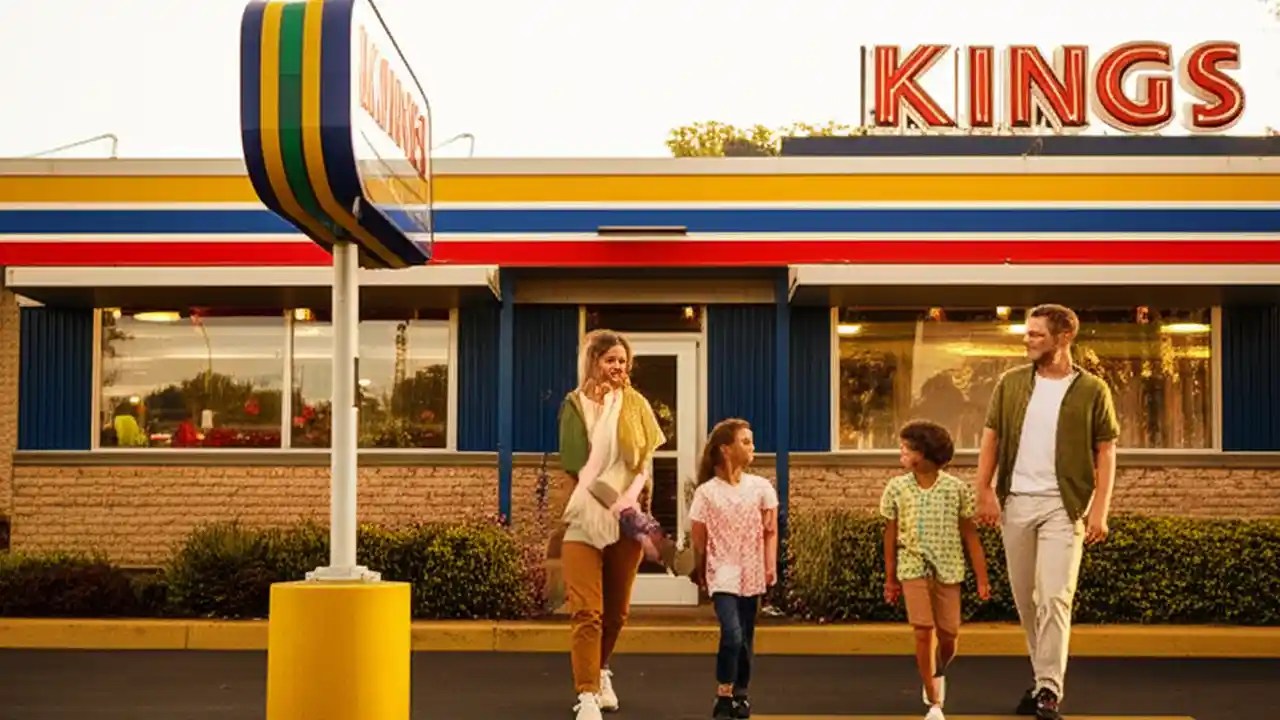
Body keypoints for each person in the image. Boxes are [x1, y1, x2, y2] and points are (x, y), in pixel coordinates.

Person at [974, 304, 1120, 720]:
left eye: (1037, 334)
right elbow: (992, 437)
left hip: (1064, 505)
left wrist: (1100, 511)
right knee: (1026, 600)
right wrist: (984, 489)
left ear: (1063, 338)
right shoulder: (1011, 383)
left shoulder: (1093, 390)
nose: (1027, 340)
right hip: (1017, 502)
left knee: (1055, 598)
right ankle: (1042, 678)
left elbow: (1105, 451)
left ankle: (1048, 691)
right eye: (1028, 333)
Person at [557, 329, 666, 720]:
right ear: (595, 362)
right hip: (585, 517)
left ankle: (600, 671)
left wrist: (634, 507)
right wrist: (601, 411)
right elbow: (574, 463)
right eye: (610, 360)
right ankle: (586, 694)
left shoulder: (637, 406)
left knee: (617, 613)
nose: (617, 367)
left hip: (627, 520)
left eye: (622, 361)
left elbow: (644, 464)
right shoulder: (576, 405)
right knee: (587, 610)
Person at [881, 420, 991, 720]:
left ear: (926, 453)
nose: (901, 452)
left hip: (949, 568)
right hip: (912, 566)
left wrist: (982, 578)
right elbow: (890, 534)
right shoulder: (897, 488)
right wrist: (890, 579)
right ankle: (933, 701)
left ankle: (937, 669)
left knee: (949, 635)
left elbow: (970, 534)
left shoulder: (955, 489)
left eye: (907, 447)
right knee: (923, 631)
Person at [689, 418, 779, 720]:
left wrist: (770, 565)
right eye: (745, 441)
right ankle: (723, 692)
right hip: (721, 572)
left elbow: (770, 531)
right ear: (726, 449)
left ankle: (741, 694)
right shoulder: (706, 493)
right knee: (732, 634)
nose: (752, 447)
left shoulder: (761, 488)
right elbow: (698, 539)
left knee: (746, 638)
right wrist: (699, 571)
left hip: (752, 571)